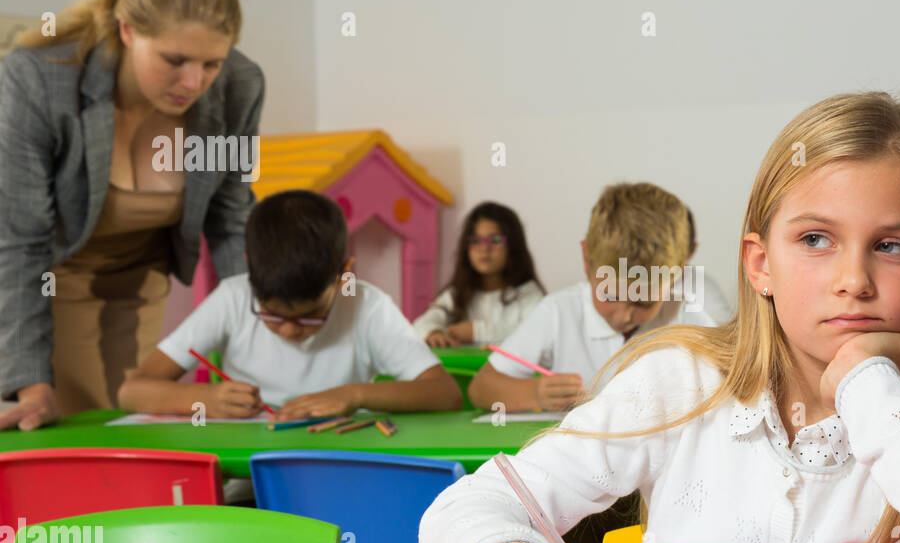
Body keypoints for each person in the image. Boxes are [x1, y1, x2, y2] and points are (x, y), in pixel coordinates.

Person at [420, 92, 900, 543]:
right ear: (760, 264)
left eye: (891, 246)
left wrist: (868, 388)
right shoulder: (677, 384)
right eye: (815, 239)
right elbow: (461, 508)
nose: (853, 279)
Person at [0, 0, 265, 429]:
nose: (193, 82)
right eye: (175, 60)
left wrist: (260, 343)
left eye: (211, 63)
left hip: (141, 280)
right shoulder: (38, 81)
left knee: (129, 424)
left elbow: (230, 222)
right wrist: (29, 381)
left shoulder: (238, 87)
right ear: (127, 31)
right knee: (60, 425)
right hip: (46, 277)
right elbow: (19, 240)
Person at [118, 190, 463, 421]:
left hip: (335, 465)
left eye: (310, 316)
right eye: (271, 315)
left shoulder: (368, 306)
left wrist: (354, 395)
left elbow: (445, 394)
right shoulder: (233, 298)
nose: (288, 329)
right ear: (249, 267)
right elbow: (132, 392)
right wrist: (207, 399)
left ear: (344, 274)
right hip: (246, 470)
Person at [466, 182, 717, 413]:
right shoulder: (559, 312)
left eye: (643, 302)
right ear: (586, 260)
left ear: (678, 273)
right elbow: (481, 388)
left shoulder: (686, 316)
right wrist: (535, 394)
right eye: (609, 295)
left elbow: (734, 387)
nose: (624, 316)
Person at [412, 202, 544, 348]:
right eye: (475, 240)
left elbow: (539, 336)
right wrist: (433, 332)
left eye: (495, 240)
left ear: (513, 246)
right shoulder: (457, 295)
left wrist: (478, 332)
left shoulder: (529, 295)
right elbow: (421, 324)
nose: (484, 249)